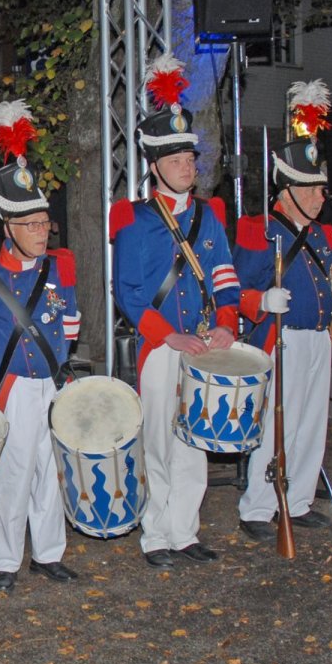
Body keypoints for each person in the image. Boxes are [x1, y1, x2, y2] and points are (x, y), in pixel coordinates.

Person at [110, 55, 240, 568]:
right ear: (156, 164)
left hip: (205, 342)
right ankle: (157, 536)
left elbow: (225, 275)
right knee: (161, 442)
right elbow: (129, 292)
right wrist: (168, 337)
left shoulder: (210, 215)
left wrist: (227, 321)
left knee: (196, 443)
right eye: (178, 159)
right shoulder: (135, 218)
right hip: (162, 347)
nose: (189, 166)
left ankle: (186, 531)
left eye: (191, 157)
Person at [0, 100, 79, 594]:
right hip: (9, 387)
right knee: (13, 474)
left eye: (43, 222)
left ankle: (49, 553)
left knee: (50, 470)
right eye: (29, 224)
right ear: (7, 227)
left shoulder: (61, 268)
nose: (40, 232)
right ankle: (6, 561)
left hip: (50, 381)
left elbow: (68, 325)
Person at [234, 125, 332, 541]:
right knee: (277, 425)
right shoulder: (258, 229)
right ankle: (258, 506)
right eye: (310, 190)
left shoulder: (321, 235)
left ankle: (299, 498)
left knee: (311, 424)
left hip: (317, 337)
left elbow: (328, 282)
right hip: (280, 338)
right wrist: (260, 301)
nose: (319, 198)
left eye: (321, 190)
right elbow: (234, 289)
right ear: (286, 190)